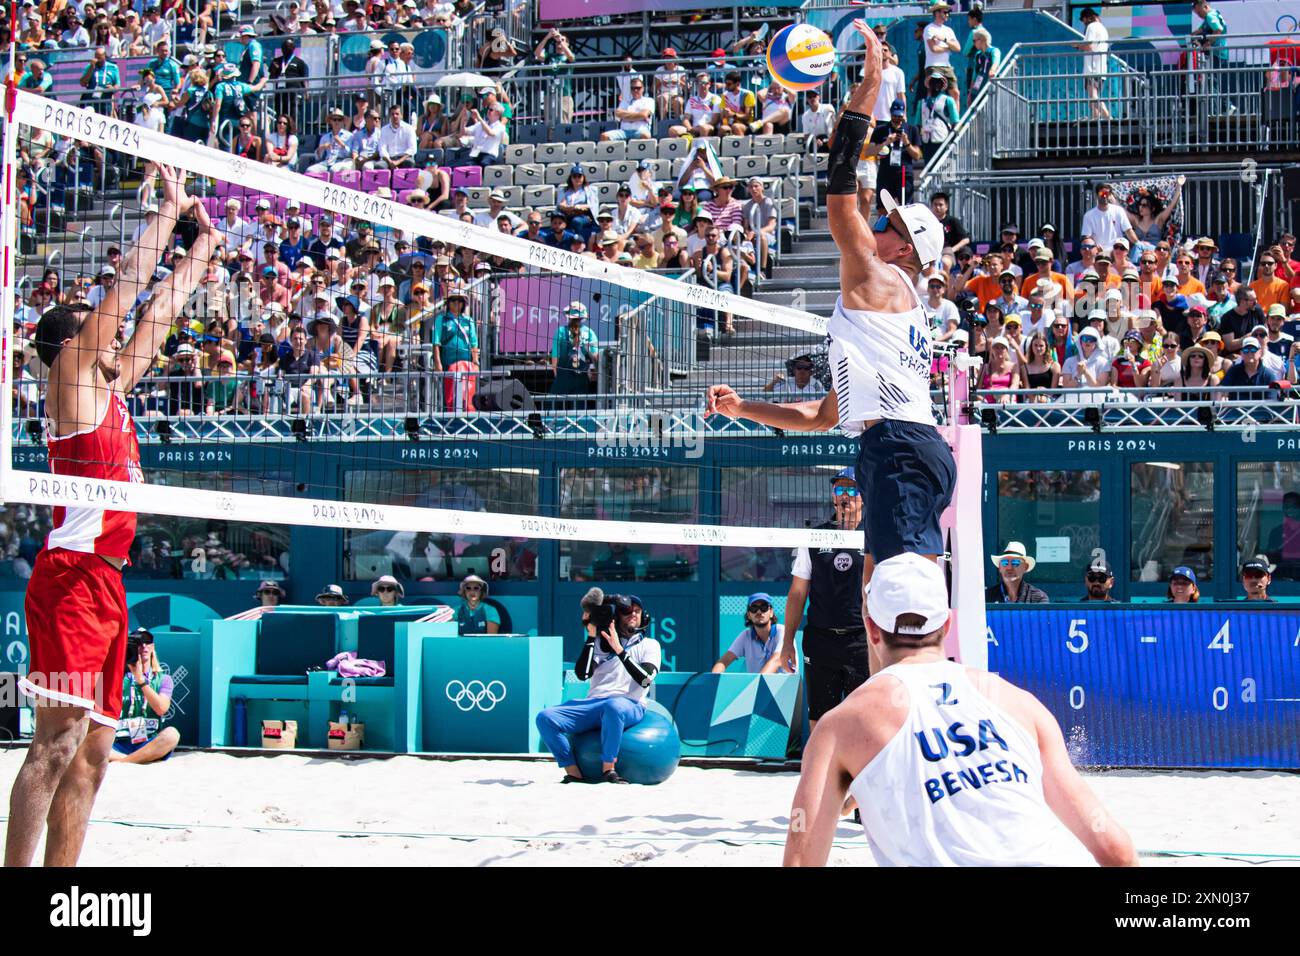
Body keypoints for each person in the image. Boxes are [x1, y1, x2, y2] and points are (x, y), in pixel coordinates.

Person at [708, 23, 955, 652]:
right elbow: (819, 417)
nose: (878, 220)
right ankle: (894, 725)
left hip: (900, 451)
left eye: (889, 221)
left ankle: (912, 724)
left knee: (904, 603)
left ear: (904, 247)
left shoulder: (880, 280)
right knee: (890, 600)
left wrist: (868, 88)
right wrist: (744, 409)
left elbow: (840, 194)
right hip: (897, 448)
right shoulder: (888, 304)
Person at [9, 167, 217, 867]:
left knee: (94, 754)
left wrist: (201, 247)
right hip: (71, 579)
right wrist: (166, 212)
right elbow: (127, 291)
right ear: (73, 347)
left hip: (107, 583)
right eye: (93, 333)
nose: (110, 340)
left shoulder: (112, 390)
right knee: (56, 744)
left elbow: (157, 314)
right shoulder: (71, 384)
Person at [783, 552, 1136, 867]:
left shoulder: (842, 727)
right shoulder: (1020, 705)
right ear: (947, 625)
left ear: (872, 630)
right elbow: (1116, 851)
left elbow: (800, 861)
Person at [535, 592, 661, 784]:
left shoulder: (650, 645)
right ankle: (573, 772)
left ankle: (608, 769)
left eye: (637, 611)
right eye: (627, 612)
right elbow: (583, 674)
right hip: (594, 703)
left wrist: (619, 650)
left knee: (613, 706)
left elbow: (645, 680)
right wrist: (591, 635)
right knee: (545, 718)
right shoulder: (601, 643)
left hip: (629, 704)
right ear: (616, 617)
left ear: (644, 616)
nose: (633, 615)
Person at [775, 468, 867, 729]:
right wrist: (788, 642)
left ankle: (858, 771)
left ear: (864, 495)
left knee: (861, 719)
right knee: (820, 719)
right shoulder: (814, 537)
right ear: (832, 496)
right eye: (839, 490)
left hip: (861, 640)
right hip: (821, 640)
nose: (845, 496)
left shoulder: (874, 536)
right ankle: (820, 770)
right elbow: (797, 593)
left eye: (852, 490)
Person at [110, 628, 180, 764]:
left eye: (147, 642)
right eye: (138, 643)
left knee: (172, 735)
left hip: (147, 742)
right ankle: (134, 759)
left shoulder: (164, 679)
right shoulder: (117, 677)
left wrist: (140, 680)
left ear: (153, 647)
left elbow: (161, 709)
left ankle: (124, 761)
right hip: (119, 742)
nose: (143, 646)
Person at [709, 593, 787, 674]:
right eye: (754, 608)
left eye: (764, 607)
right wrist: (714, 679)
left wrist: (757, 684)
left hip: (788, 686)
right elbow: (724, 661)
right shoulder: (746, 636)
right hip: (757, 685)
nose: (759, 611)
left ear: (771, 612)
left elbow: (777, 660)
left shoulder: (782, 631)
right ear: (749, 615)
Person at [1075, 7, 1112, 121]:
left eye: (1083, 20)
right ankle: (1095, 117)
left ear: (1087, 18)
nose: (1083, 23)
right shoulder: (1103, 29)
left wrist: (1077, 46)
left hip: (1092, 67)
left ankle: (1108, 116)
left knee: (1093, 95)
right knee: (1093, 95)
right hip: (1101, 67)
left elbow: (1089, 46)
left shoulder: (1091, 27)